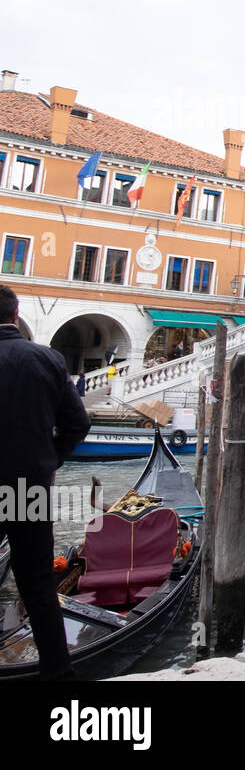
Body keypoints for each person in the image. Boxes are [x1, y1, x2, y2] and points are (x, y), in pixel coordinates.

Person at [0, 283, 90, 678]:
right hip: (26, 488)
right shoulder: (47, 360)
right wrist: (50, 460)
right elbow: (78, 423)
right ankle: (58, 674)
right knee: (37, 583)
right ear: (15, 316)